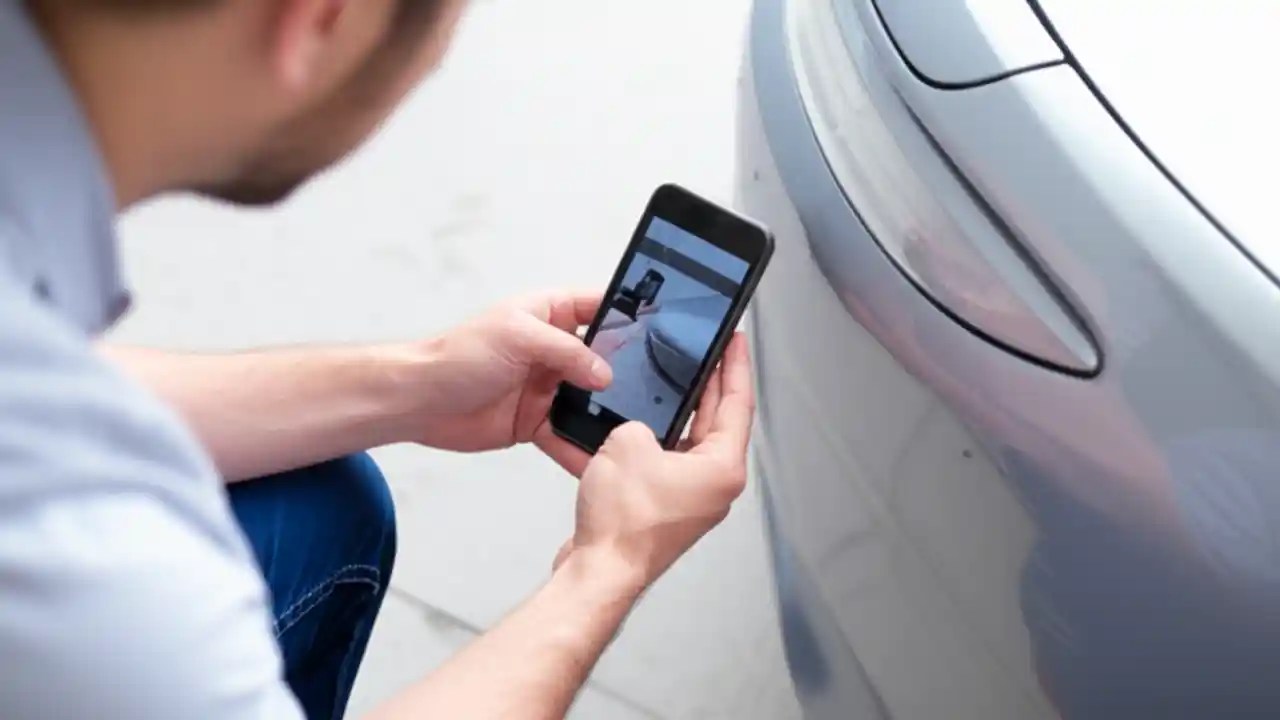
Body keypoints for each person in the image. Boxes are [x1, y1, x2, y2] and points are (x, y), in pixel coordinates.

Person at [0, 1, 756, 719]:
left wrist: (421, 381)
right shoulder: (75, 556)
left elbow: (50, 400)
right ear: (318, 19)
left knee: (322, 503)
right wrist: (610, 564)